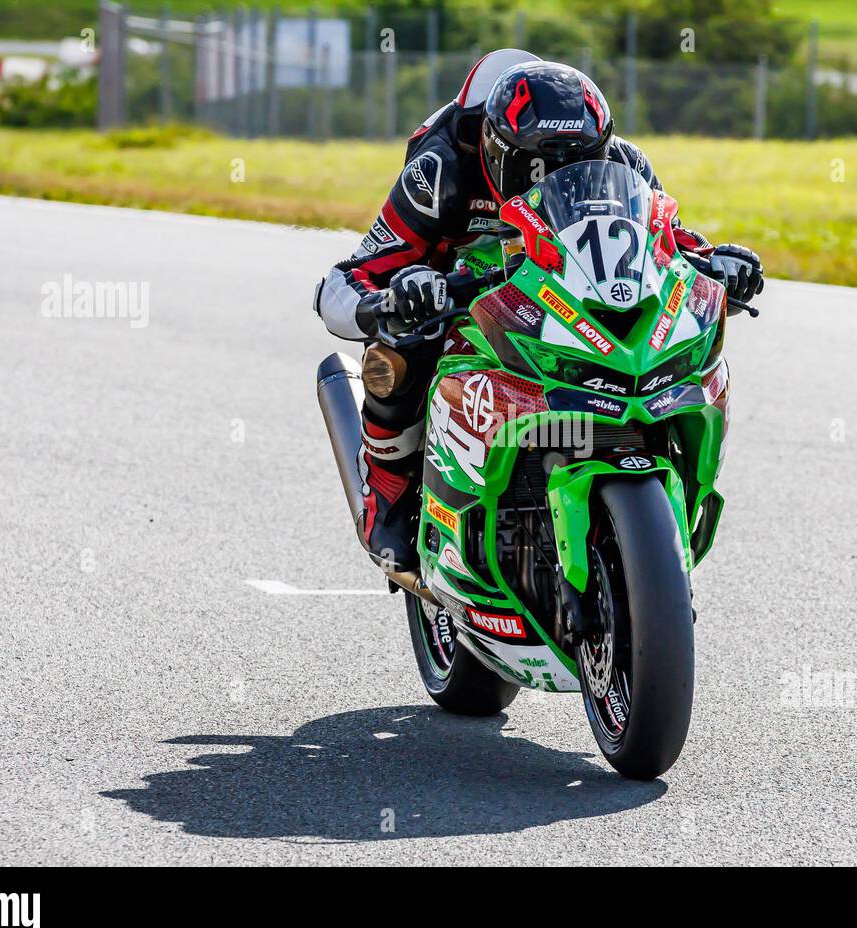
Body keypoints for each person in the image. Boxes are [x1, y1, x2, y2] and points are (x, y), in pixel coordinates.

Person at [314, 50, 763, 572]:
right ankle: (386, 487)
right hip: (465, 270)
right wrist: (389, 301)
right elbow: (350, 276)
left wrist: (716, 262)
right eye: (541, 165)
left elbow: (666, 240)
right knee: (401, 347)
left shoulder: (625, 162)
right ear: (498, 150)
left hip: (561, 272)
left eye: (580, 162)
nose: (559, 176)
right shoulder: (443, 170)